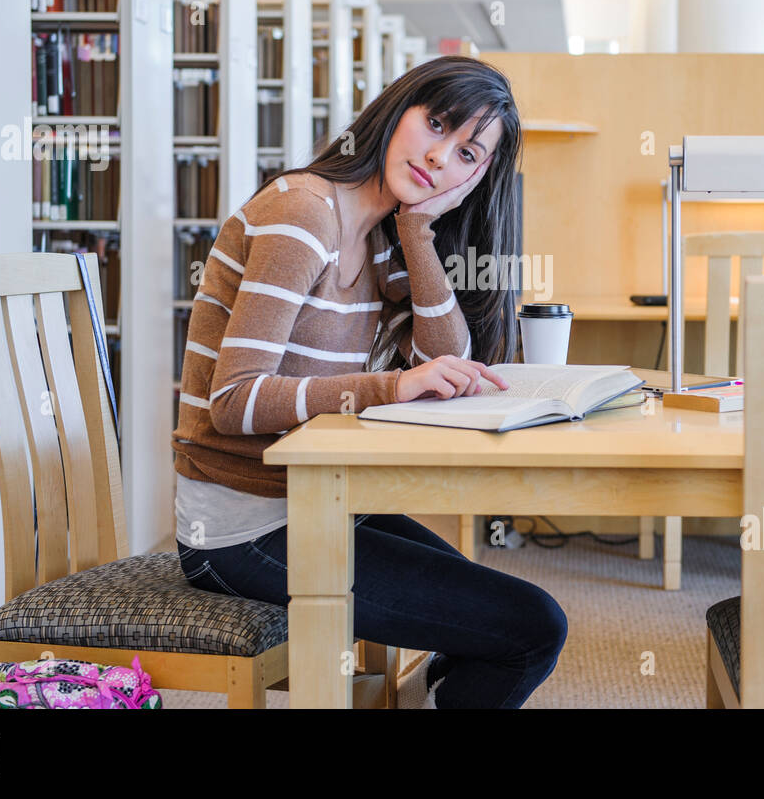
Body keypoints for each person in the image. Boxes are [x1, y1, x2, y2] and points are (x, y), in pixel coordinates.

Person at [171, 55, 567, 708]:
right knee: (530, 626)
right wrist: (393, 387)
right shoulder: (303, 214)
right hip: (239, 530)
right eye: (435, 123)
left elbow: (454, 356)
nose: (439, 157)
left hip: (317, 498)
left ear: (478, 178)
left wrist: (417, 229)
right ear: (397, 106)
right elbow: (233, 402)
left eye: (467, 153)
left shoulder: (380, 232)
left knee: (490, 613)